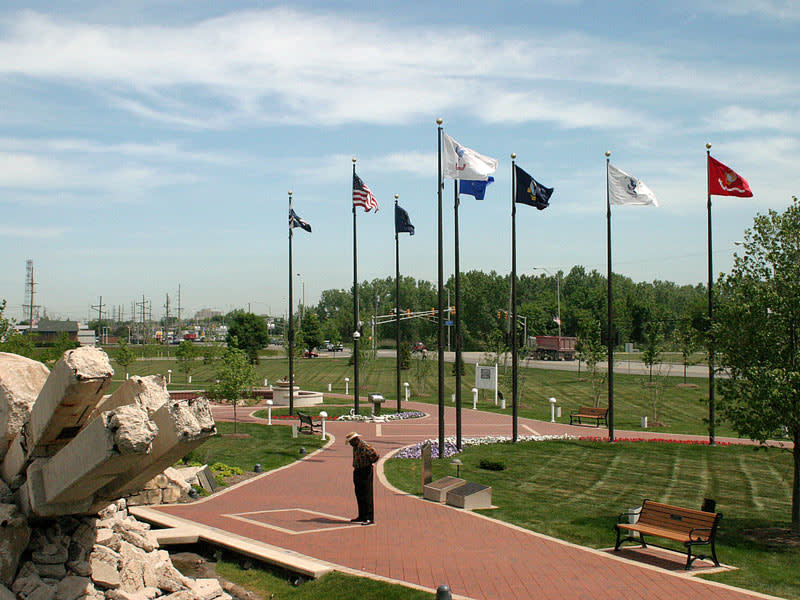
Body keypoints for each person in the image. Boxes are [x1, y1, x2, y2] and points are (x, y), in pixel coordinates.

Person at [345, 431, 379, 525]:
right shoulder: (356, 447)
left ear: (355, 440)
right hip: (357, 470)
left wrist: (369, 463)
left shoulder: (364, 446)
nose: (351, 444)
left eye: (351, 442)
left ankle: (369, 517)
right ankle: (362, 515)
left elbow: (375, 454)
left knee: (367, 493)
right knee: (359, 493)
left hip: (365, 470)